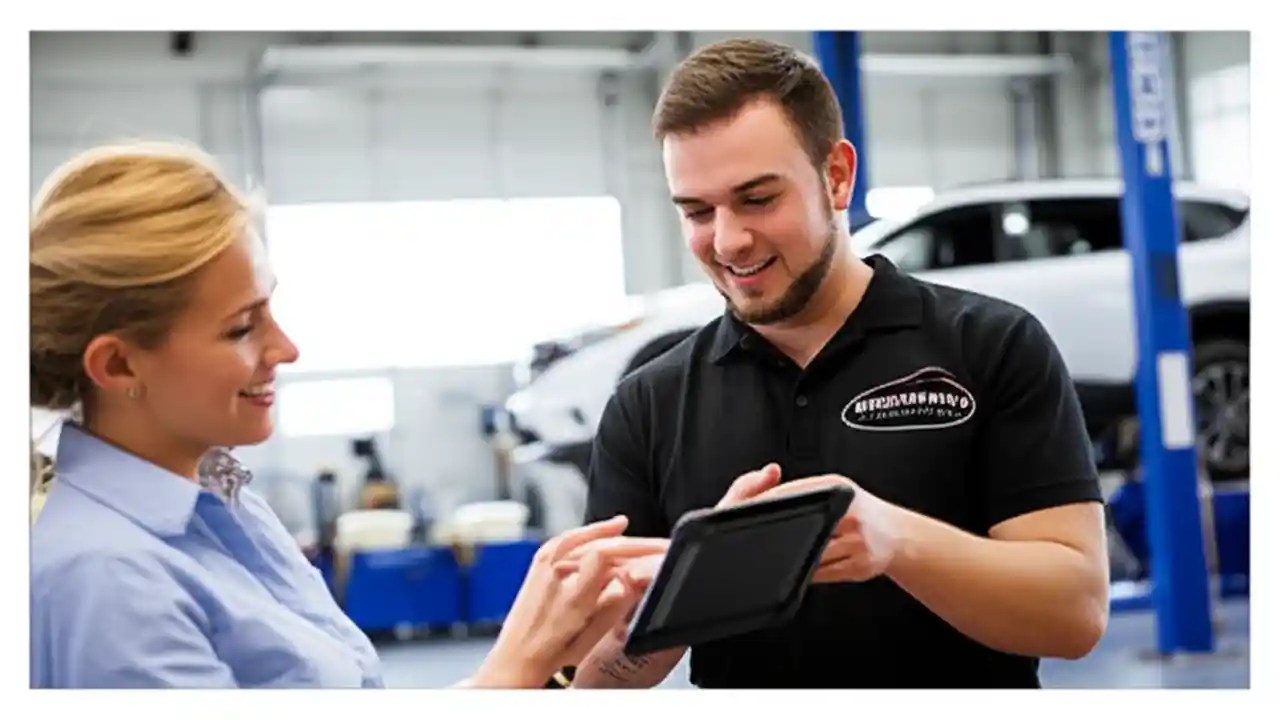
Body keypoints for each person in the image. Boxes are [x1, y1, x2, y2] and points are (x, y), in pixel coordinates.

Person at [573, 37, 1110, 689]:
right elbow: (596, 680)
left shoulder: (990, 346)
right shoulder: (649, 404)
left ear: (836, 176)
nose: (728, 239)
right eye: (697, 211)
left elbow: (1075, 614)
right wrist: (685, 594)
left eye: (758, 199)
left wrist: (896, 541)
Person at [28, 141, 667, 689]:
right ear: (117, 366)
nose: (285, 349)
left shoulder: (227, 504)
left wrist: (573, 665)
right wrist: (510, 670)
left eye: (270, 310)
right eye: (241, 328)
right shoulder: (106, 581)